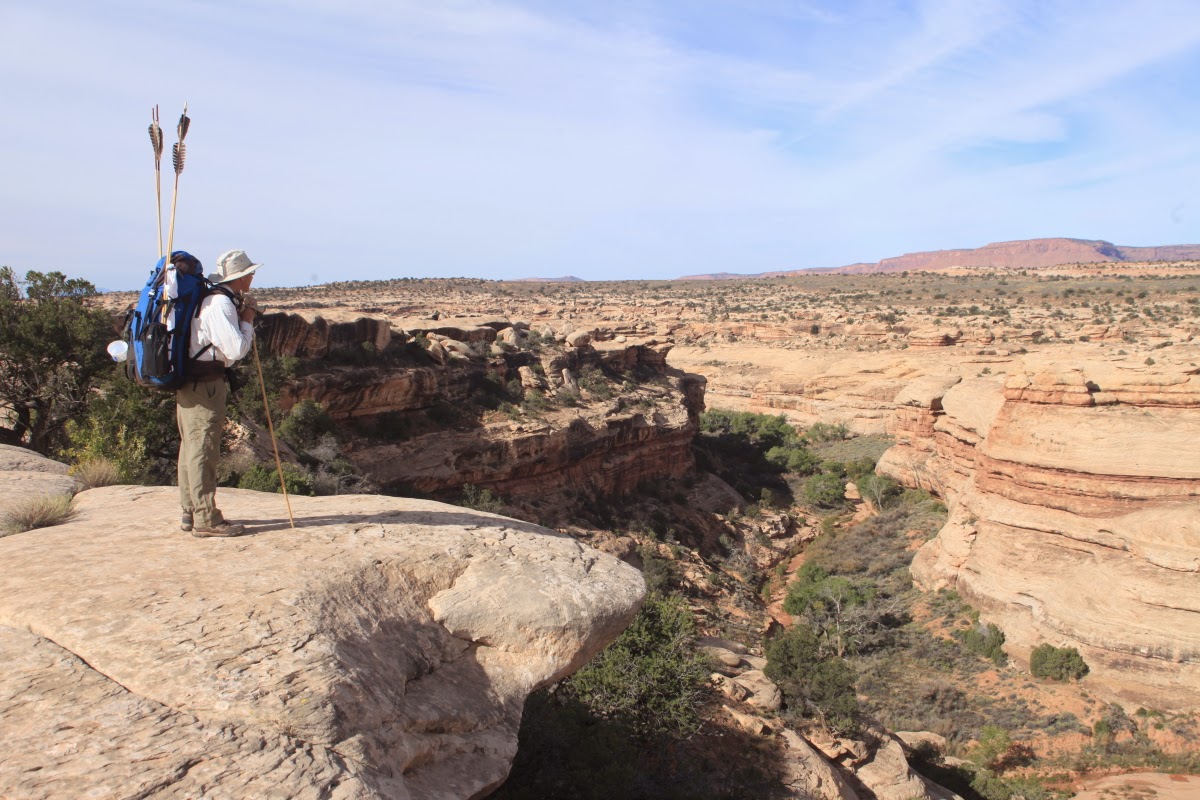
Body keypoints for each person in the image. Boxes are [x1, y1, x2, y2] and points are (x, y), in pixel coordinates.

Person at [177, 249, 261, 537]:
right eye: (250, 273)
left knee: (191, 447)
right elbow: (236, 350)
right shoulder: (220, 303)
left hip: (191, 382)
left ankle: (190, 511)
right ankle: (206, 519)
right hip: (206, 384)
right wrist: (247, 319)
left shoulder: (211, 299)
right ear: (240, 277)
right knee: (203, 448)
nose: (252, 276)